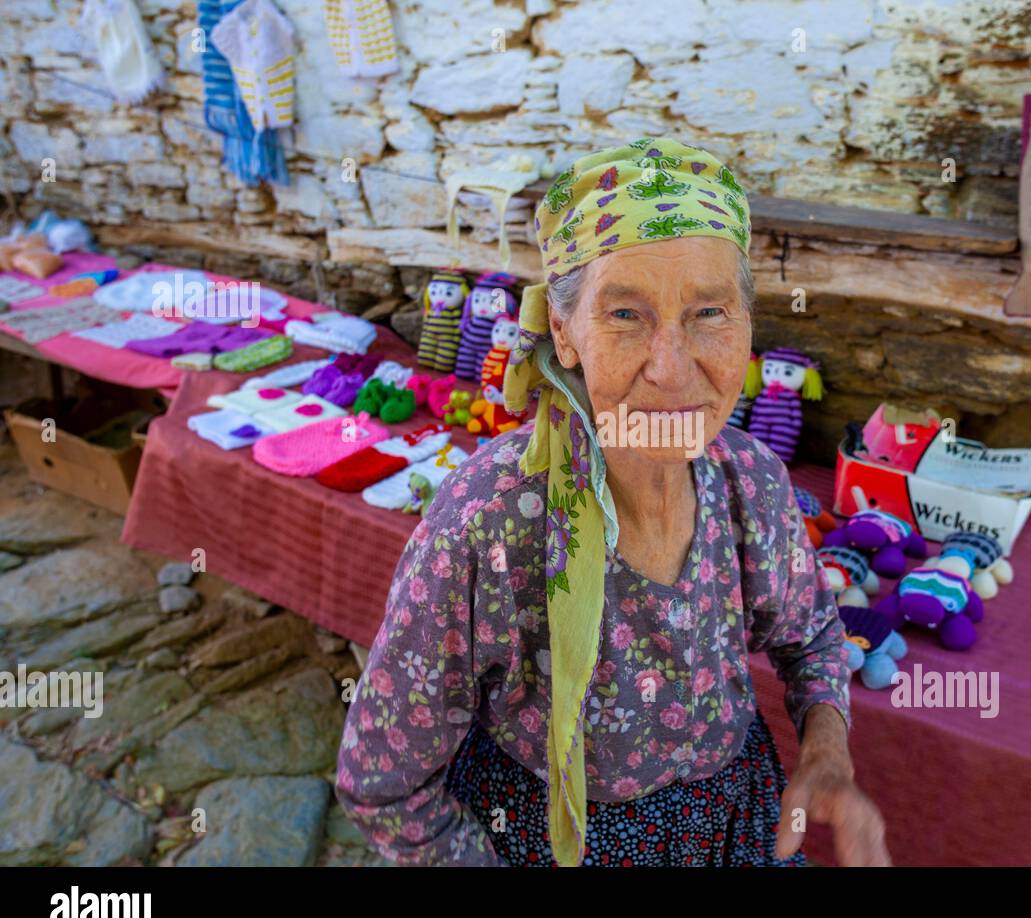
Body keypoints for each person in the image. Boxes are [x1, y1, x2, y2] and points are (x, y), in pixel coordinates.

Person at [335, 136, 890, 867]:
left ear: (748, 324)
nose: (670, 368)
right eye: (625, 315)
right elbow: (383, 782)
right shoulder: (490, 520)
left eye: (710, 313)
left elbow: (811, 636)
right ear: (563, 333)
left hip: (736, 829)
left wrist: (826, 746)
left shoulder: (751, 482)